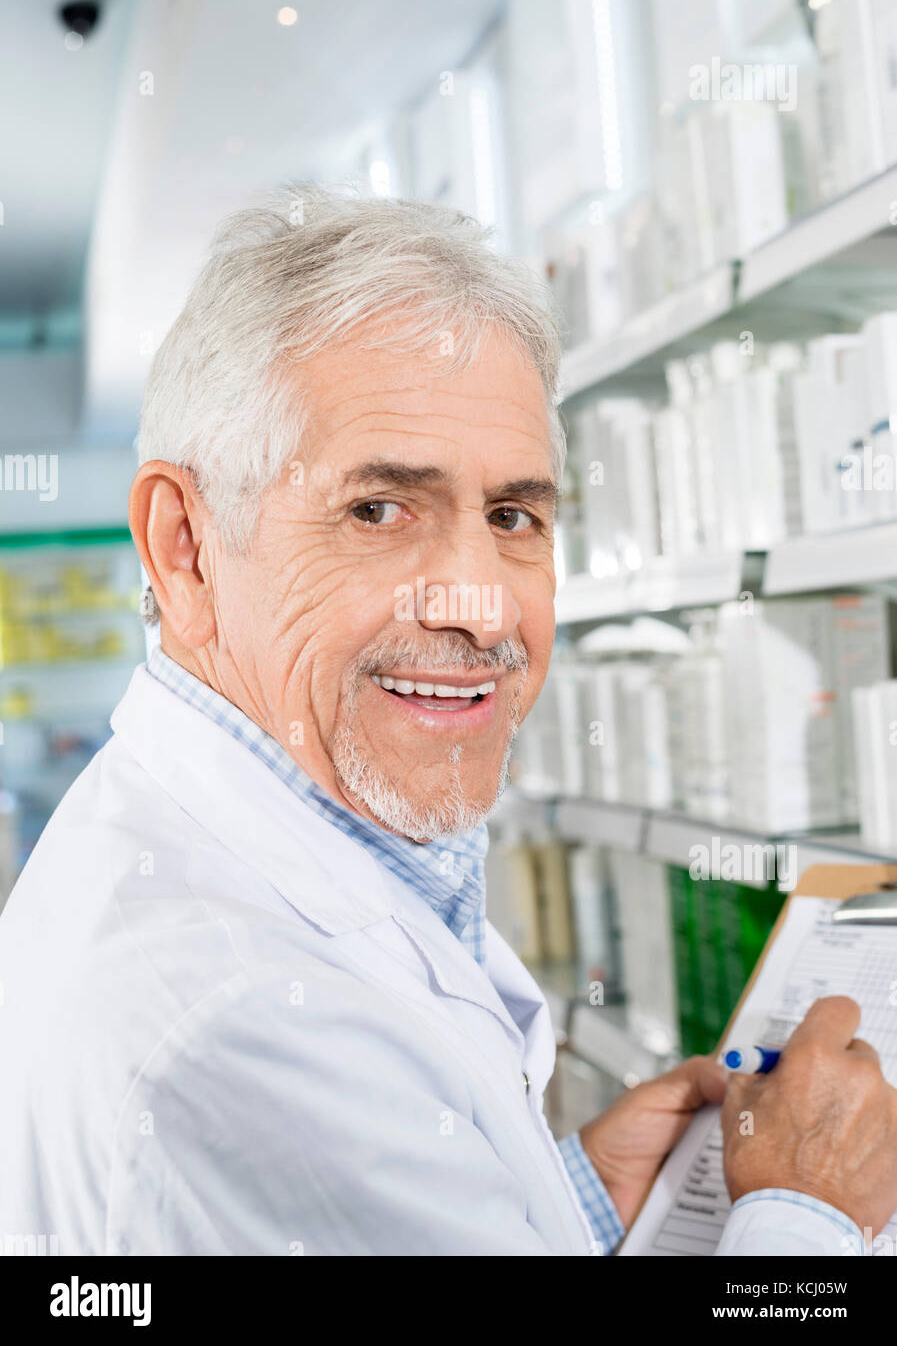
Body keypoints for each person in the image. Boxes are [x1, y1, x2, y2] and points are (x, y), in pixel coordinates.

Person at [0, 185, 895, 1255]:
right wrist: (806, 1210)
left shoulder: (225, 836)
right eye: (378, 510)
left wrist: (563, 1201)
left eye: (514, 514)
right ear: (185, 544)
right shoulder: (241, 1014)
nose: (480, 605)